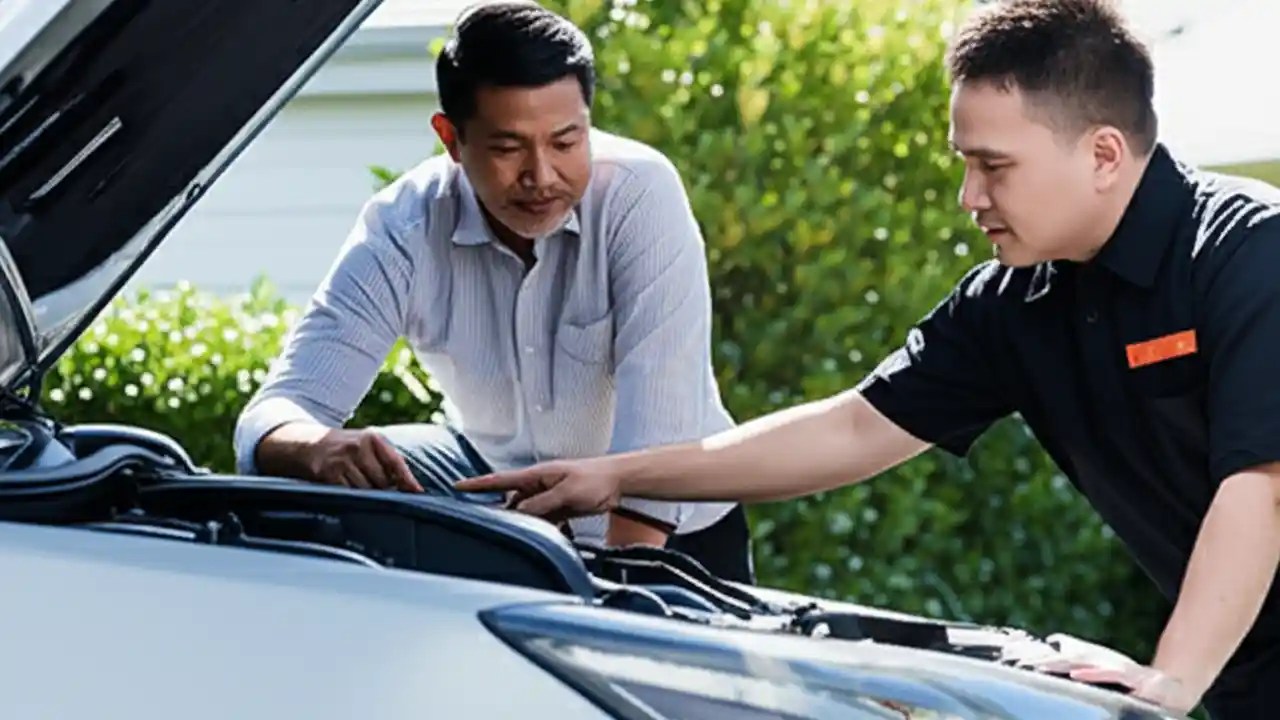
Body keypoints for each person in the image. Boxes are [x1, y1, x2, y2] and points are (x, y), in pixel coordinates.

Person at [456, 0, 1280, 717]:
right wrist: (620, 475)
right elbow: (853, 429)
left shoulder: (1251, 253)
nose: (969, 197)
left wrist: (1172, 677)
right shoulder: (1015, 304)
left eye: (993, 167)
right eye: (965, 163)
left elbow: (1262, 485)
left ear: (1102, 154)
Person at [232, 1, 755, 584]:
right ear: (450, 138)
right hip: (511, 527)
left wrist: (617, 591)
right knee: (393, 459)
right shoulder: (404, 227)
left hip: (672, 530)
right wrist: (312, 446)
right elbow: (275, 413)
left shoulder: (639, 195)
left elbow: (657, 438)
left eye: (565, 142)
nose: (541, 176)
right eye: (508, 148)